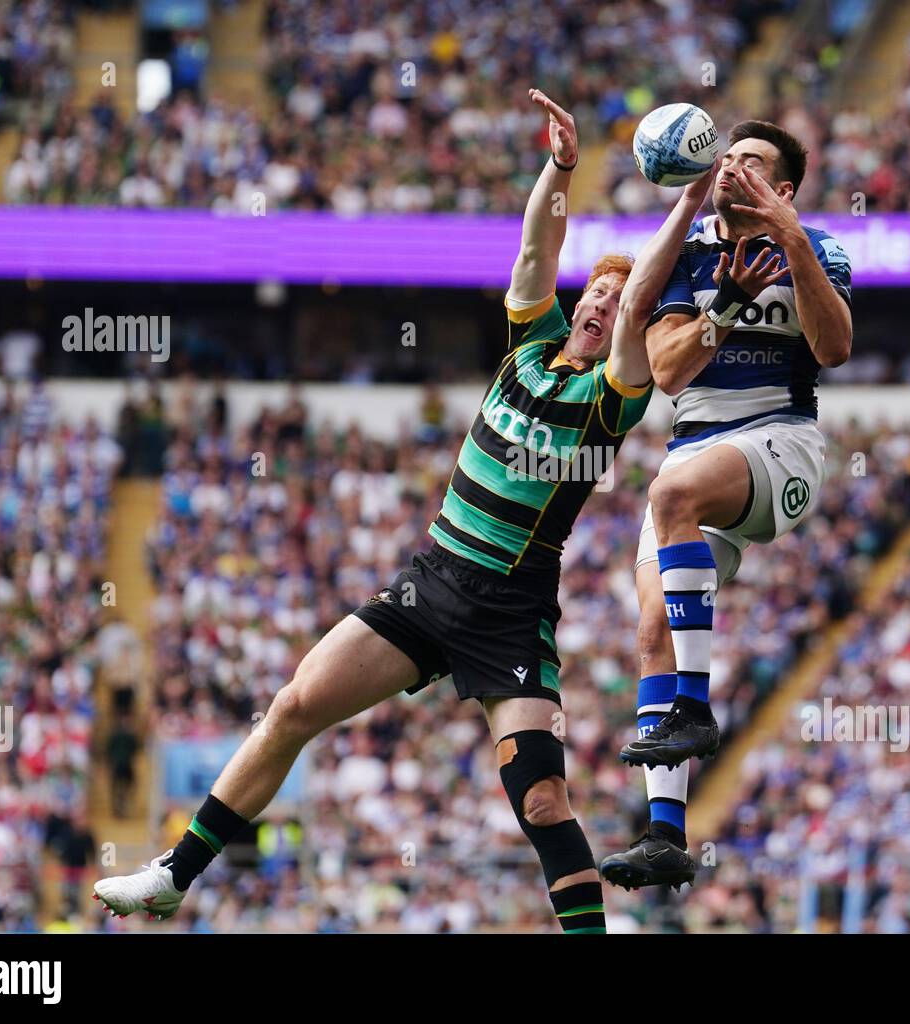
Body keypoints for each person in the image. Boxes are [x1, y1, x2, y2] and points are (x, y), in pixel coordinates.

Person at [93, 89, 711, 933]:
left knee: (540, 798)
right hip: (431, 585)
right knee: (293, 707)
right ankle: (175, 873)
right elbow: (539, 244)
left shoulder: (612, 397)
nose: (606, 308)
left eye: (619, 303)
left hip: (509, 611)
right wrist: (562, 167)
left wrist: (689, 200)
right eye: (597, 298)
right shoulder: (528, 343)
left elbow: (641, 305)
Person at [601, 120, 853, 891]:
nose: (731, 166)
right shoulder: (690, 255)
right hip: (698, 447)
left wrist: (790, 240)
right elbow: (670, 372)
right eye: (728, 155)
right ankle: (665, 837)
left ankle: (696, 708)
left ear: (782, 188)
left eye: (751, 161)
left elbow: (834, 346)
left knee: (670, 492)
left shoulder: (820, 248)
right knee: (651, 630)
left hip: (781, 444)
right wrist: (730, 303)